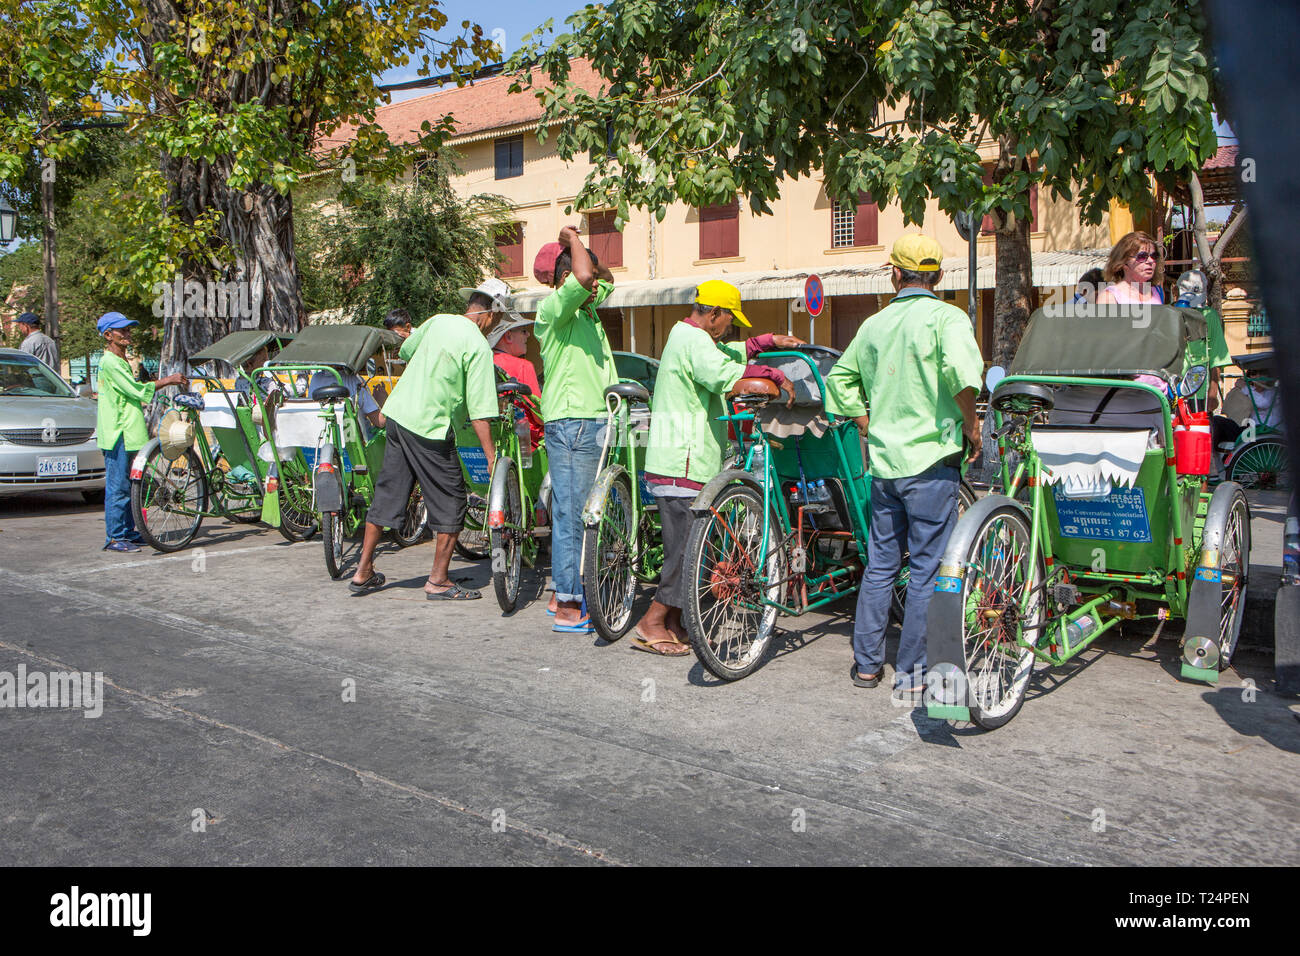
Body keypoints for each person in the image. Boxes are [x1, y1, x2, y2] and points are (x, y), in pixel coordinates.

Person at [825, 234, 984, 695]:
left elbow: (840, 379)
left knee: (880, 567)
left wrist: (865, 422)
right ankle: (912, 671)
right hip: (932, 461)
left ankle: (868, 666)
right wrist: (972, 426)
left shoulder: (874, 325)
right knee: (926, 569)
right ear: (937, 275)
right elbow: (961, 377)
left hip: (886, 464)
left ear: (895, 273)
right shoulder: (947, 317)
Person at [634, 281, 798, 655]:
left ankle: (674, 623)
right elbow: (726, 374)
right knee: (684, 554)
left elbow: (730, 352)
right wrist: (776, 376)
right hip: (681, 463)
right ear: (712, 315)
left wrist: (769, 341)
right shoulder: (692, 341)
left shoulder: (690, 337)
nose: (728, 328)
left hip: (683, 462)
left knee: (690, 549)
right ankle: (653, 621)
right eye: (727, 320)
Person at [347, 292, 498, 600]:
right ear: (489, 316)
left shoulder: (438, 321)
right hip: (430, 425)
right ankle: (438, 581)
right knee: (453, 500)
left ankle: (362, 571)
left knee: (388, 492)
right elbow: (481, 412)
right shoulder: (479, 346)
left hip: (398, 415)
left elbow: (407, 348)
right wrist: (491, 457)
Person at [533, 227, 617, 633]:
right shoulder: (555, 308)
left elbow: (605, 279)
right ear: (564, 279)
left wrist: (586, 257)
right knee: (571, 514)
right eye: (586, 277)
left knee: (580, 511)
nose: (594, 281)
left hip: (590, 421)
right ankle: (567, 603)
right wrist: (573, 237)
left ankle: (563, 593)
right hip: (573, 422)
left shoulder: (586, 308)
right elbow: (585, 277)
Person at [94, 312, 187, 552]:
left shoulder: (121, 360)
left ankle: (127, 532)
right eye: (121, 331)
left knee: (131, 484)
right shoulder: (110, 362)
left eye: (128, 330)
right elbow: (136, 391)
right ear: (108, 335)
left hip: (130, 431)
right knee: (118, 487)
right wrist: (169, 380)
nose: (127, 334)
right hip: (118, 433)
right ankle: (115, 537)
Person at [1096, 231, 1165, 305]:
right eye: (1142, 256)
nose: (1151, 261)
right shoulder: (1109, 297)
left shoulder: (1158, 292)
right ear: (1123, 261)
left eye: (1154, 256)